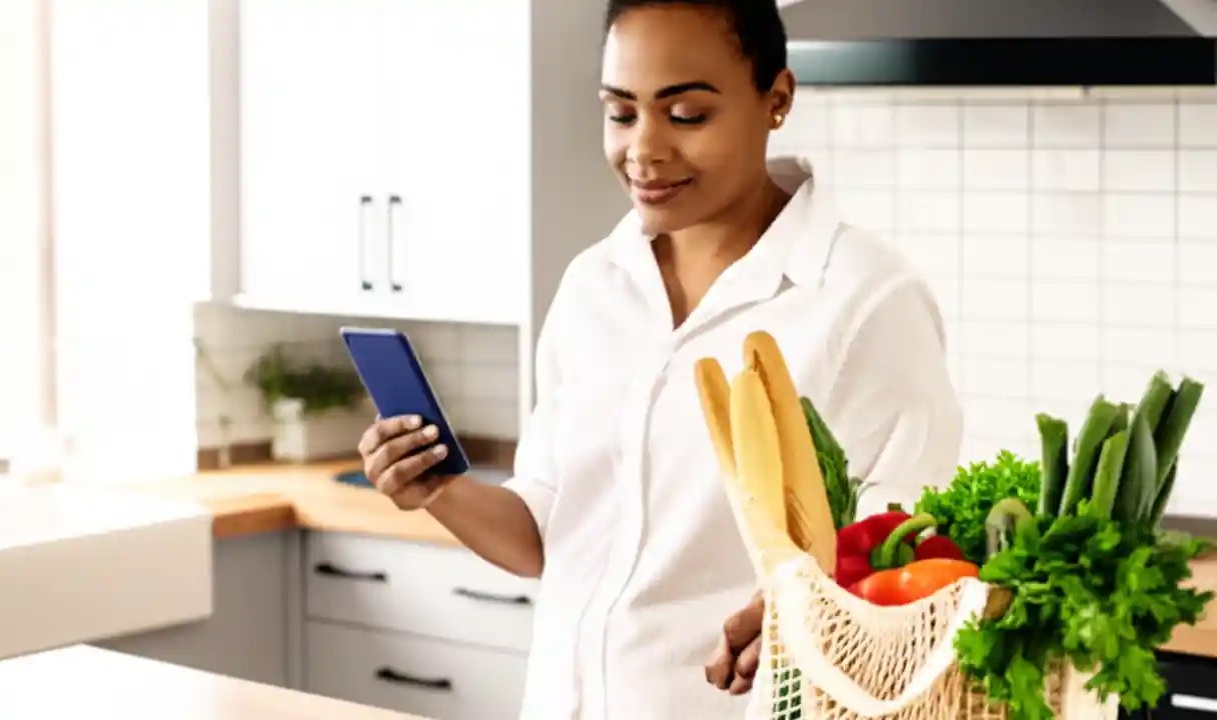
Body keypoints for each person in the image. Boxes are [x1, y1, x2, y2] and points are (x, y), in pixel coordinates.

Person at [355, 0, 963, 717]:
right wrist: (440, 491)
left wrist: (794, 613)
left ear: (777, 100)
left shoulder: (864, 299)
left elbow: (901, 572)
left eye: (686, 116)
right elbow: (547, 533)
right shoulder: (593, 285)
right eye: (621, 113)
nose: (643, 149)